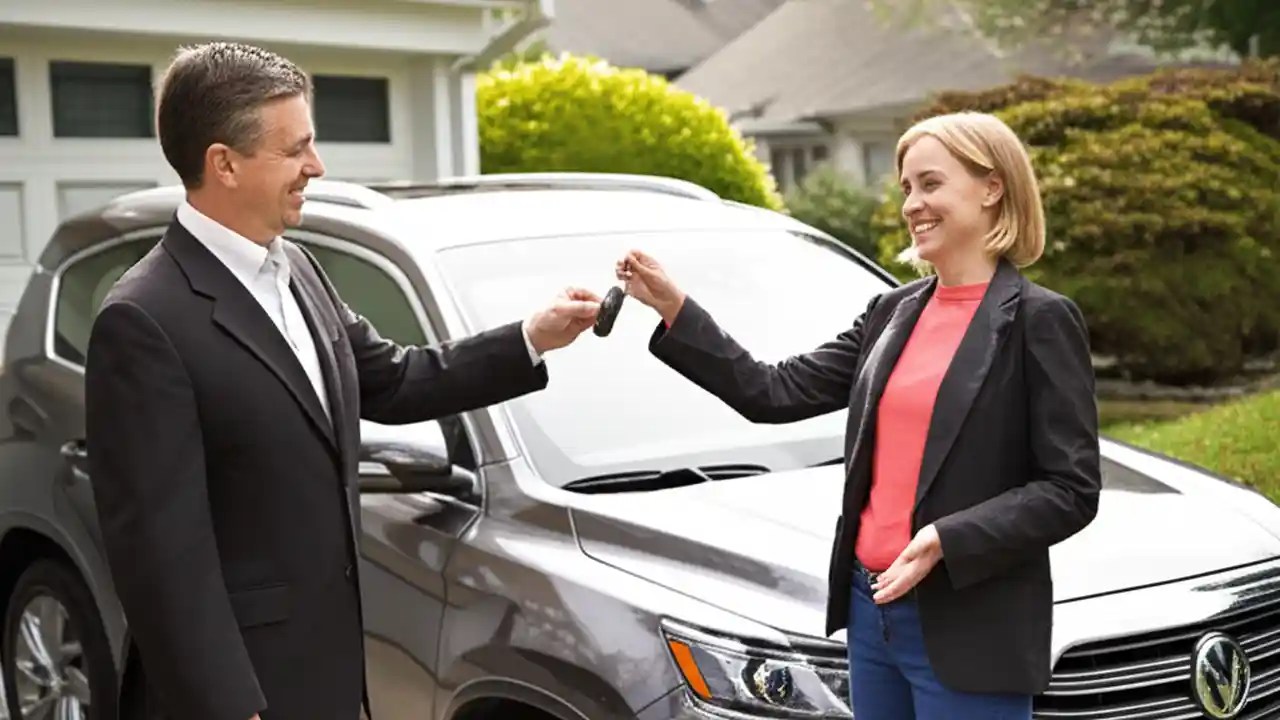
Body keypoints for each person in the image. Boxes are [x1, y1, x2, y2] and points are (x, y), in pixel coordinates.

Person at [84, 42, 600, 720]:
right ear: (224, 164)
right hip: (240, 696)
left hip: (326, 677)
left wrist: (531, 336)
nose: (316, 167)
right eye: (294, 149)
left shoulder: (297, 269)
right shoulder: (144, 320)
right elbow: (161, 562)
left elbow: (393, 380)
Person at [617, 111, 1101, 719]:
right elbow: (774, 391)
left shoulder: (1041, 320)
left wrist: (946, 539)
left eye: (930, 184)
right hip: (871, 615)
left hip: (968, 625)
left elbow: (1071, 488)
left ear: (991, 188)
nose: (912, 205)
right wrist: (675, 309)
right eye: (906, 189)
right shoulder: (890, 312)